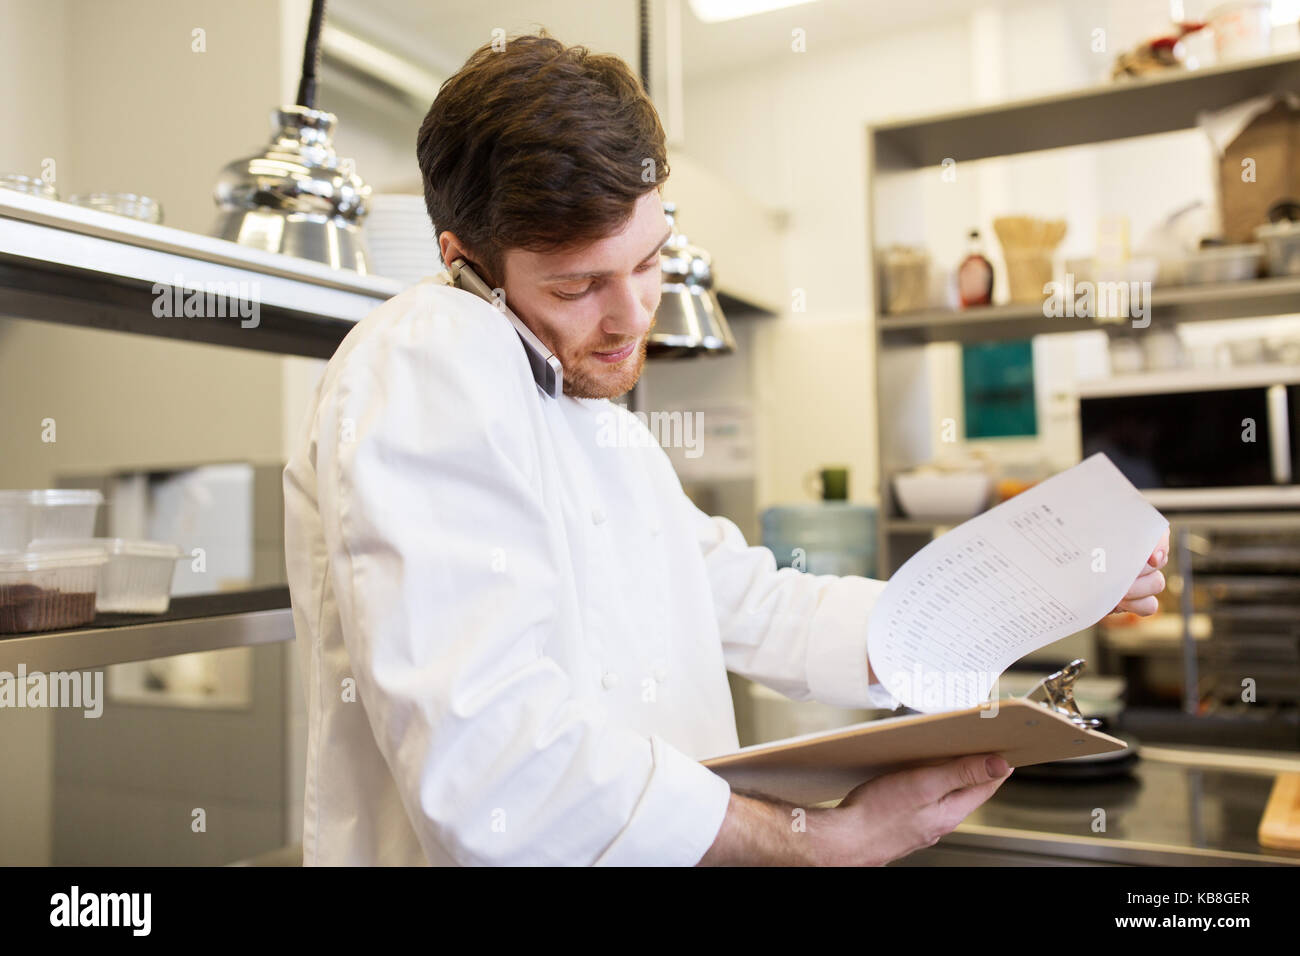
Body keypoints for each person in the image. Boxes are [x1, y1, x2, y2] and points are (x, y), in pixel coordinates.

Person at [281, 31, 1169, 866]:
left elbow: (749, 603)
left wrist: (1035, 584)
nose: (633, 318)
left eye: (649, 261)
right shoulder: (426, 352)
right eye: (581, 283)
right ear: (463, 259)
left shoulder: (595, 423)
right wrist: (814, 842)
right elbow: (492, 766)